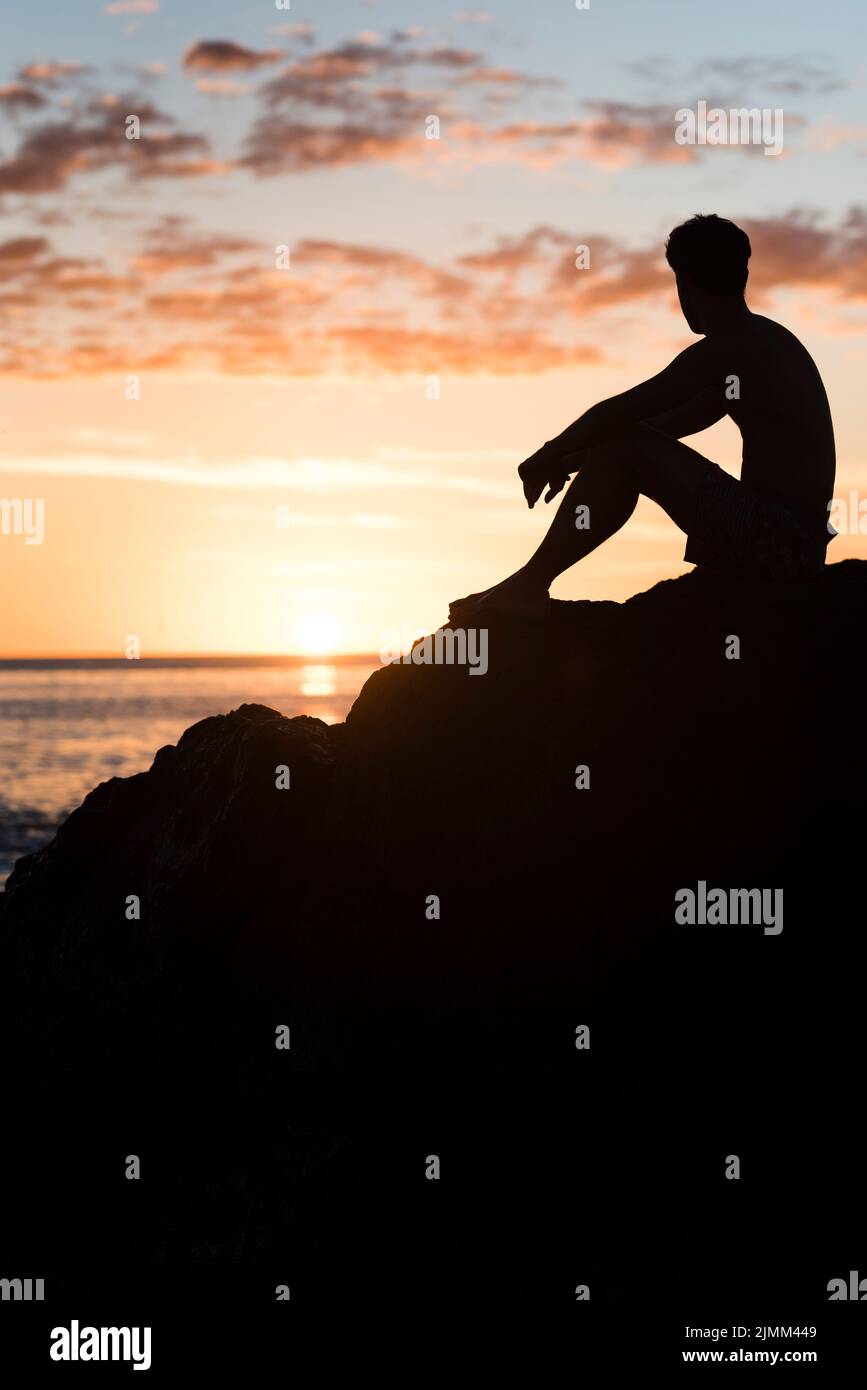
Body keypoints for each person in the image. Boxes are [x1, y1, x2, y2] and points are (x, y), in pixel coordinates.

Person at [449, 214, 836, 622]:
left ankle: (530, 584)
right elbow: (663, 425)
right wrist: (571, 460)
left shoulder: (732, 348)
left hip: (780, 546)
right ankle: (528, 579)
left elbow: (625, 410)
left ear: (684, 282)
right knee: (625, 445)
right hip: (790, 545)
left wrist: (547, 453)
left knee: (625, 446)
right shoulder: (761, 343)